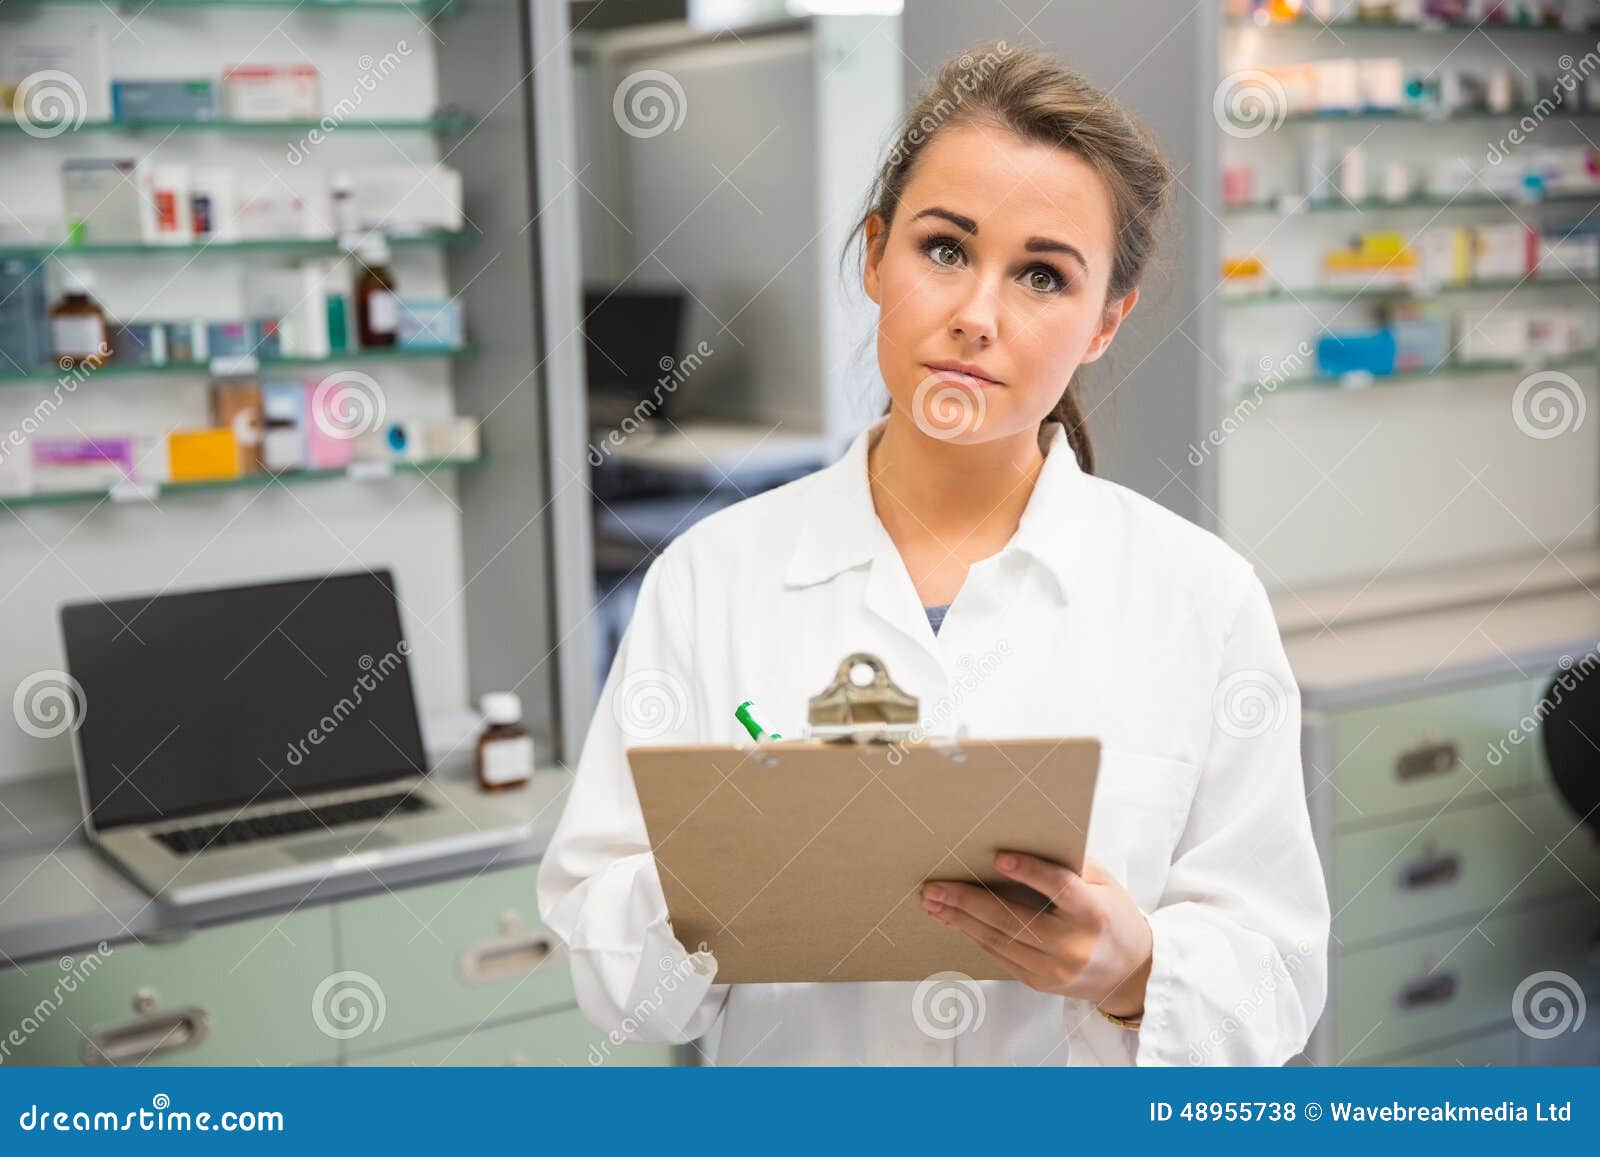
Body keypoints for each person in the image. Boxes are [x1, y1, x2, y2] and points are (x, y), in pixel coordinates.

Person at [538, 40, 1330, 1066]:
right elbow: (621, 993)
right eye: (944, 249)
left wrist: (1132, 970)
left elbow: (1275, 985)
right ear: (876, 255)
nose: (975, 315)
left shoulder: (1201, 599)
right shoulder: (710, 578)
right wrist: (717, 868)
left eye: (1042, 275)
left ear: (1105, 321)